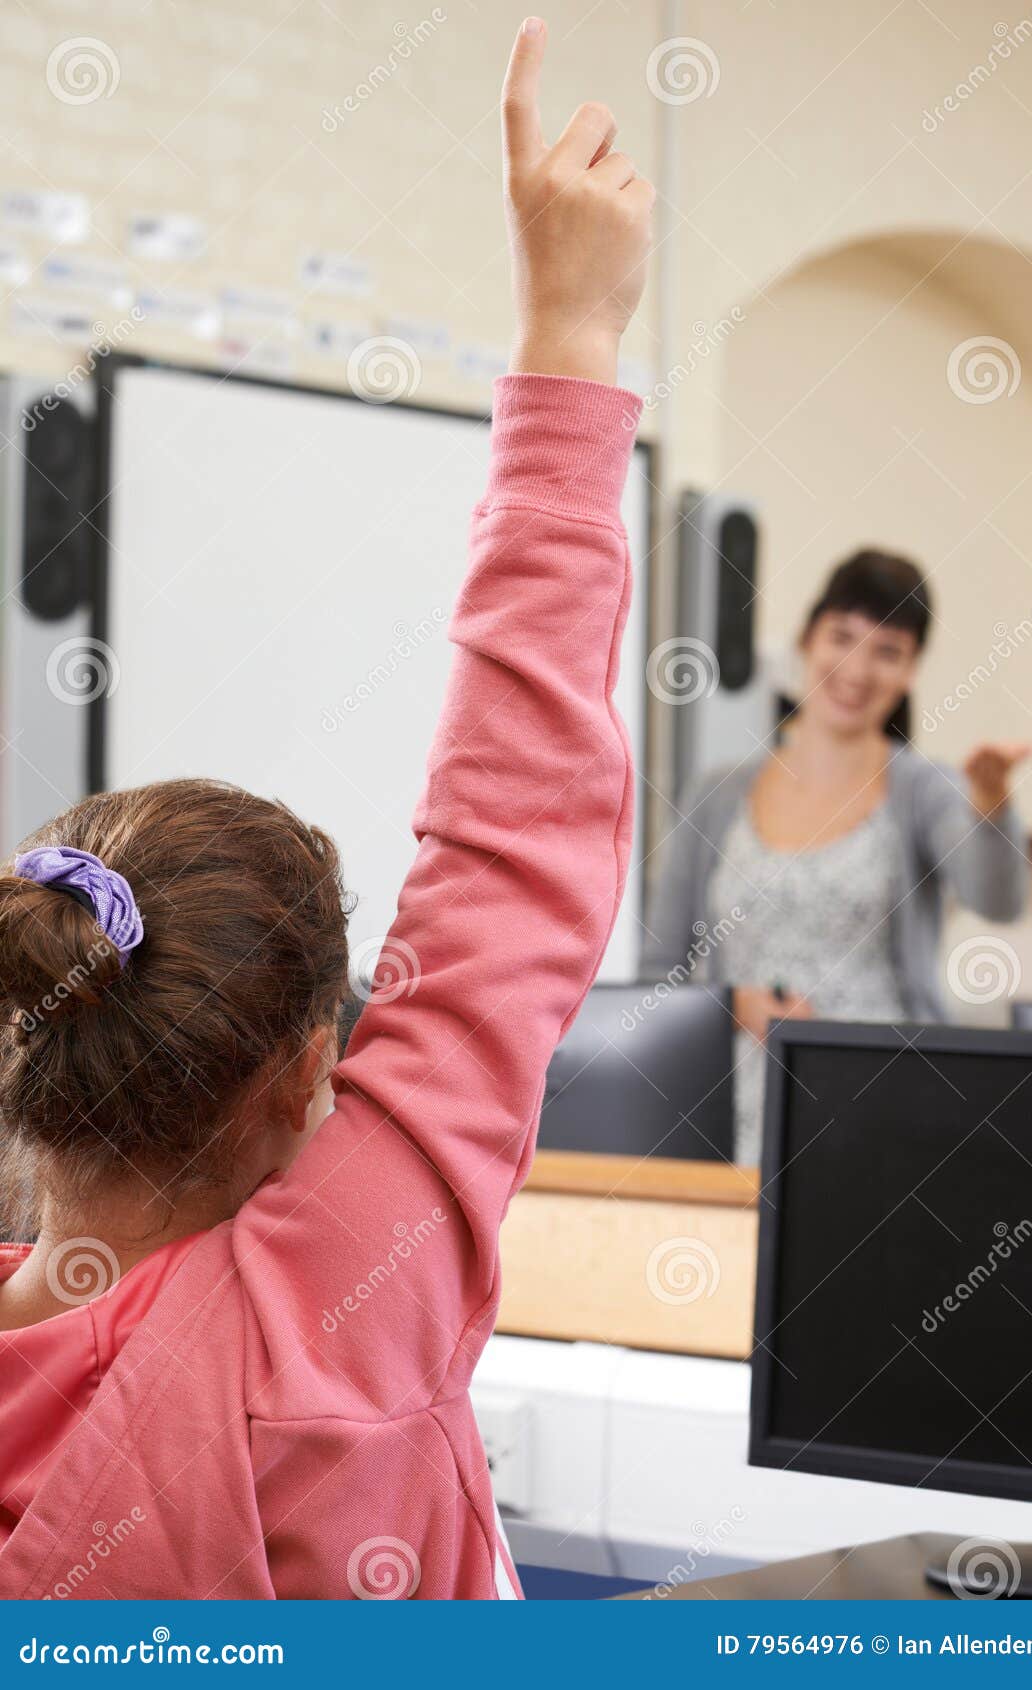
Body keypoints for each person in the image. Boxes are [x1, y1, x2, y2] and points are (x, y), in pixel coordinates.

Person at [0, 19, 654, 1599]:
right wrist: (571, 330)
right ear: (312, 1068)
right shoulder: (343, 1302)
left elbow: (512, 858)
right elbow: (512, 841)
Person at [642, 550, 1032, 1167]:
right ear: (806, 640)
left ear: (911, 672)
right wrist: (730, 1004)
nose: (857, 668)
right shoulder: (715, 794)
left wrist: (990, 804)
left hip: (885, 1107)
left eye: (888, 651)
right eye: (842, 637)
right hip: (733, 1113)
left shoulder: (925, 792)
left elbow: (1000, 900)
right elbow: (659, 967)